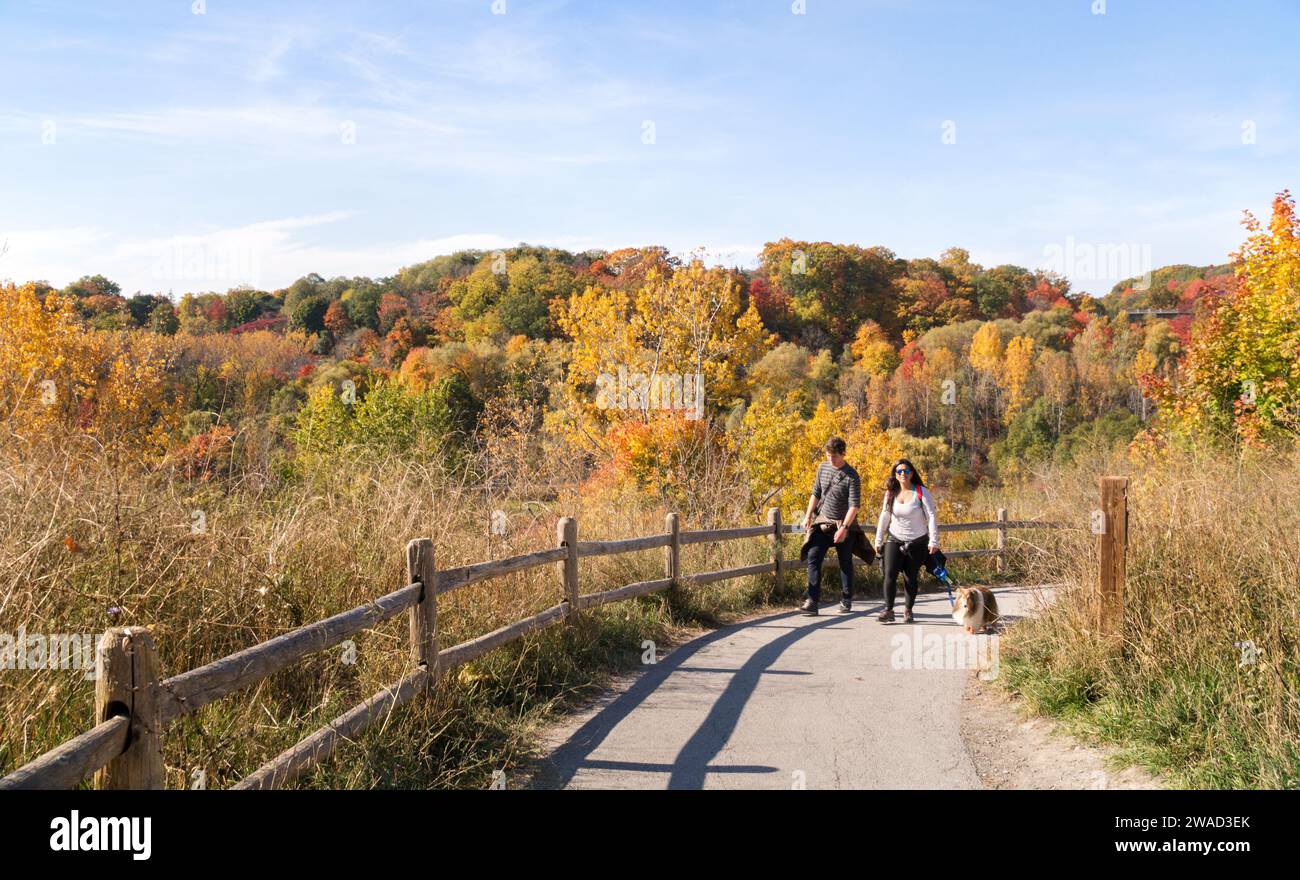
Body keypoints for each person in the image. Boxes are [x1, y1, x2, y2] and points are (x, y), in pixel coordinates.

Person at [797, 437, 862, 616]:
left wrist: (844, 528)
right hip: (823, 522)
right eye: (828, 456)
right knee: (813, 555)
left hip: (843, 523)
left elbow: (854, 506)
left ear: (843, 454)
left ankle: (846, 599)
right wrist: (808, 515)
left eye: (834, 456)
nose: (831, 460)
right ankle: (812, 601)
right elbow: (816, 493)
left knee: (845, 562)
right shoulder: (822, 468)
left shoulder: (852, 476)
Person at [873, 458, 939, 624]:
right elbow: (885, 515)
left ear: (912, 473)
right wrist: (878, 539)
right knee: (889, 574)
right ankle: (888, 610)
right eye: (899, 471)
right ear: (895, 474)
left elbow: (931, 515)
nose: (903, 474)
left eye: (906, 471)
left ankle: (908, 610)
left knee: (911, 577)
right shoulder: (891, 493)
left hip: (916, 542)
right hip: (895, 538)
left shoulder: (921, 491)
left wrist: (933, 540)